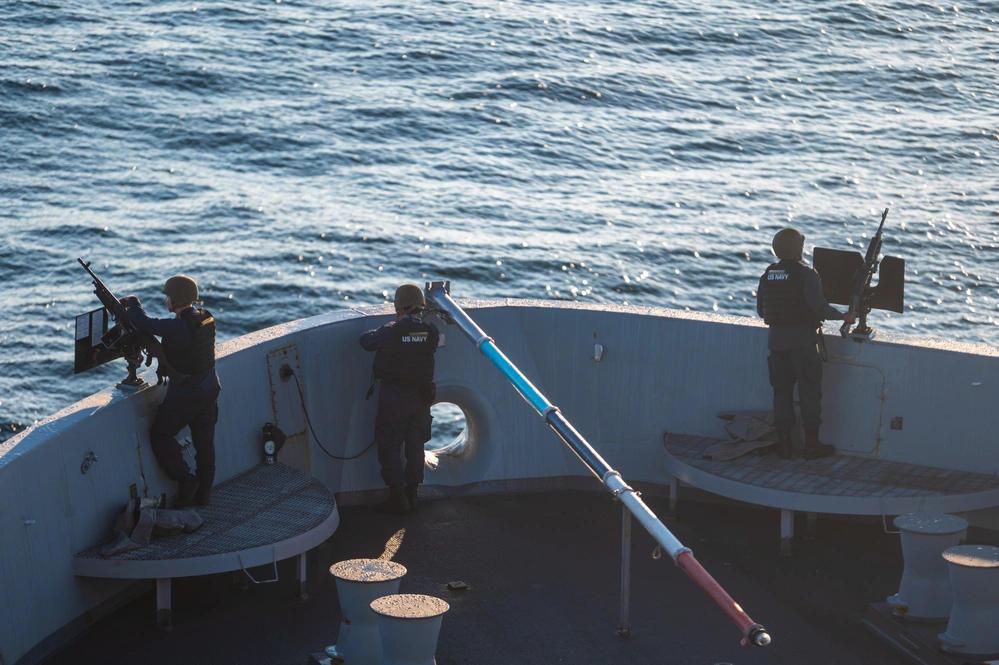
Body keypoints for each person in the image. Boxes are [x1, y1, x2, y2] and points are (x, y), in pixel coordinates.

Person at [757, 228, 857, 460]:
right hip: (802, 343)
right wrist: (844, 316)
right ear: (798, 248)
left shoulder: (768, 274)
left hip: (776, 344)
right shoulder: (806, 274)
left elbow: (762, 311)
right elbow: (820, 308)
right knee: (809, 394)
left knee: (781, 394)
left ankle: (785, 446)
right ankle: (811, 446)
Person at [122, 275, 220, 508]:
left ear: (176, 300)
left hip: (188, 393)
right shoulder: (205, 317)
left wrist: (133, 301)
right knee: (204, 443)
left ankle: (186, 481)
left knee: (161, 434)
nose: (165, 300)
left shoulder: (177, 327)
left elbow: (144, 323)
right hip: (210, 388)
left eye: (168, 296)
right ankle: (204, 493)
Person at [359, 284, 440, 515]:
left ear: (399, 307)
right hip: (422, 398)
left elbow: (365, 341)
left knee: (389, 443)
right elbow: (423, 343)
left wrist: (386, 327)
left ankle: (397, 498)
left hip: (395, 396)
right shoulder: (431, 331)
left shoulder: (390, 332)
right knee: (416, 445)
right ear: (420, 307)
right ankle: (412, 495)